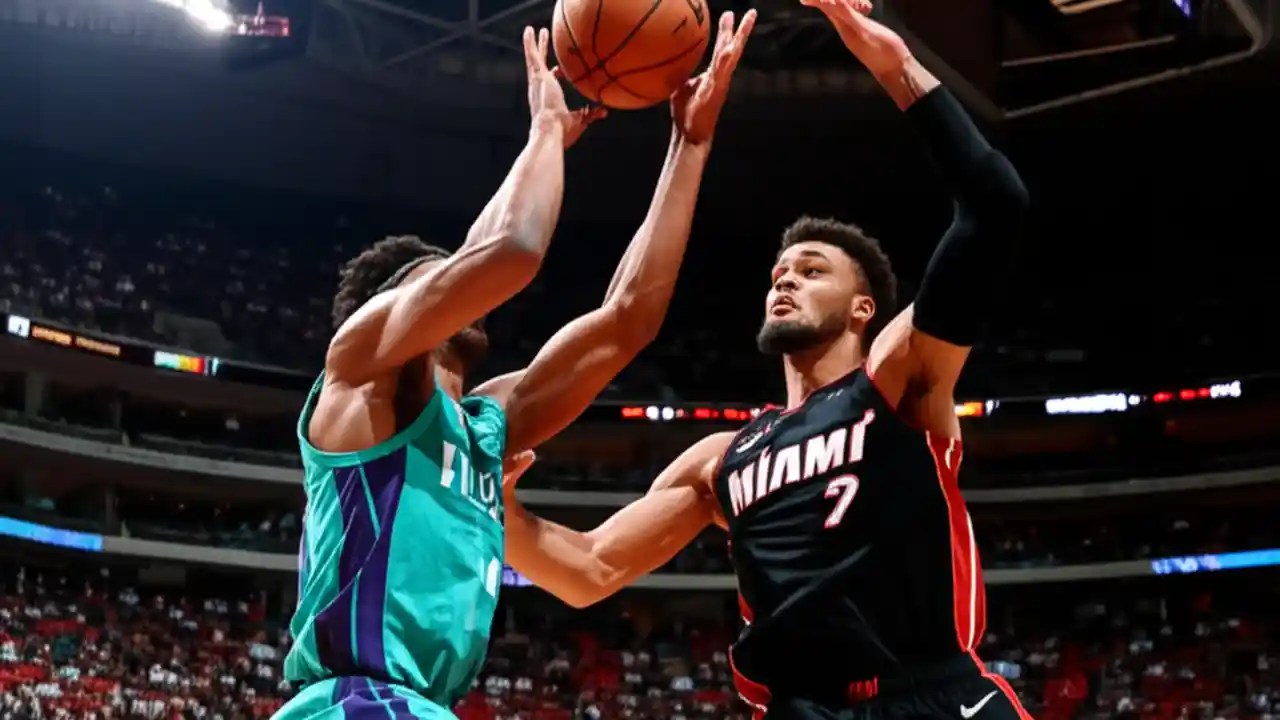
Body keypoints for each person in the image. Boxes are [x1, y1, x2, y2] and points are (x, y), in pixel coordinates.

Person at [501, 2, 1033, 719]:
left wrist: (892, 62)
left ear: (863, 309)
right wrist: (500, 508)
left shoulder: (899, 381)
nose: (784, 278)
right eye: (780, 271)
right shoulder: (723, 458)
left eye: (812, 270)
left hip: (930, 695)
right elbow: (589, 569)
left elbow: (995, 206)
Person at [272, 13, 756, 720]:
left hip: (420, 705)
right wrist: (545, 134)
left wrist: (690, 141)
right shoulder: (361, 371)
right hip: (353, 700)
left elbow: (627, 322)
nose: (464, 289)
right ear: (400, 301)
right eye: (442, 278)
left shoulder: (484, 424)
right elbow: (509, 251)